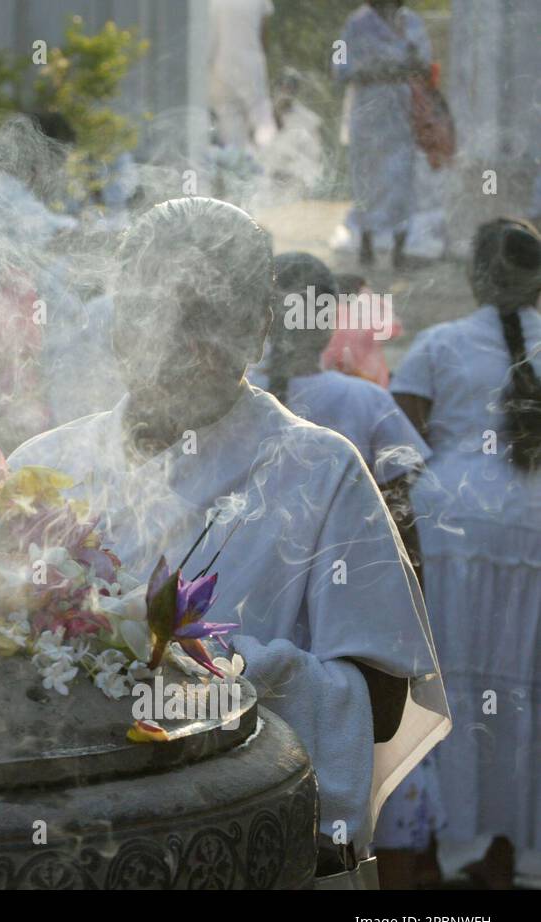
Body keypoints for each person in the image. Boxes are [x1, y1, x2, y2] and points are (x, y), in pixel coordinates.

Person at [9, 198, 449, 881]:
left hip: (240, 842)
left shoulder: (319, 467)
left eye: (211, 316)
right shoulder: (45, 467)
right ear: (118, 323)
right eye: (156, 311)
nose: (182, 342)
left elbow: (383, 700)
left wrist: (223, 667)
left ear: (260, 331)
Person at [390, 218, 541, 888]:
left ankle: (447, 844)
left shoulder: (438, 344)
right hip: (532, 528)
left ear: (475, 275)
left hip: (452, 532)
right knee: (523, 688)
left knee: (453, 687)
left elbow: (398, 453)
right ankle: (520, 849)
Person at [249, 252, 428, 576]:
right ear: (329, 321)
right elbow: (401, 515)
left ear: (264, 321)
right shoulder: (368, 400)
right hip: (351, 577)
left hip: (249, 577)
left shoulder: (238, 393)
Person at [336, 2, 432, 269]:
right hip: (368, 110)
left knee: (402, 178)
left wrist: (408, 64)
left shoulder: (412, 23)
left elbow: (425, 64)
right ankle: (366, 243)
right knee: (366, 176)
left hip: (402, 112)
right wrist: (370, 71)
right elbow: (340, 63)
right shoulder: (355, 24)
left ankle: (399, 249)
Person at [207, 0, 277, 152]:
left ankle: (237, 166)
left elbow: (209, 39)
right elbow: (264, 35)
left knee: (230, 132)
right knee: (262, 121)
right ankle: (269, 162)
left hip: (221, 68)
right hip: (250, 66)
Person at [320, 272, 403, 388]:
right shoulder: (368, 320)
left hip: (339, 385)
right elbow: (396, 329)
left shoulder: (330, 319)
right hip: (373, 383)